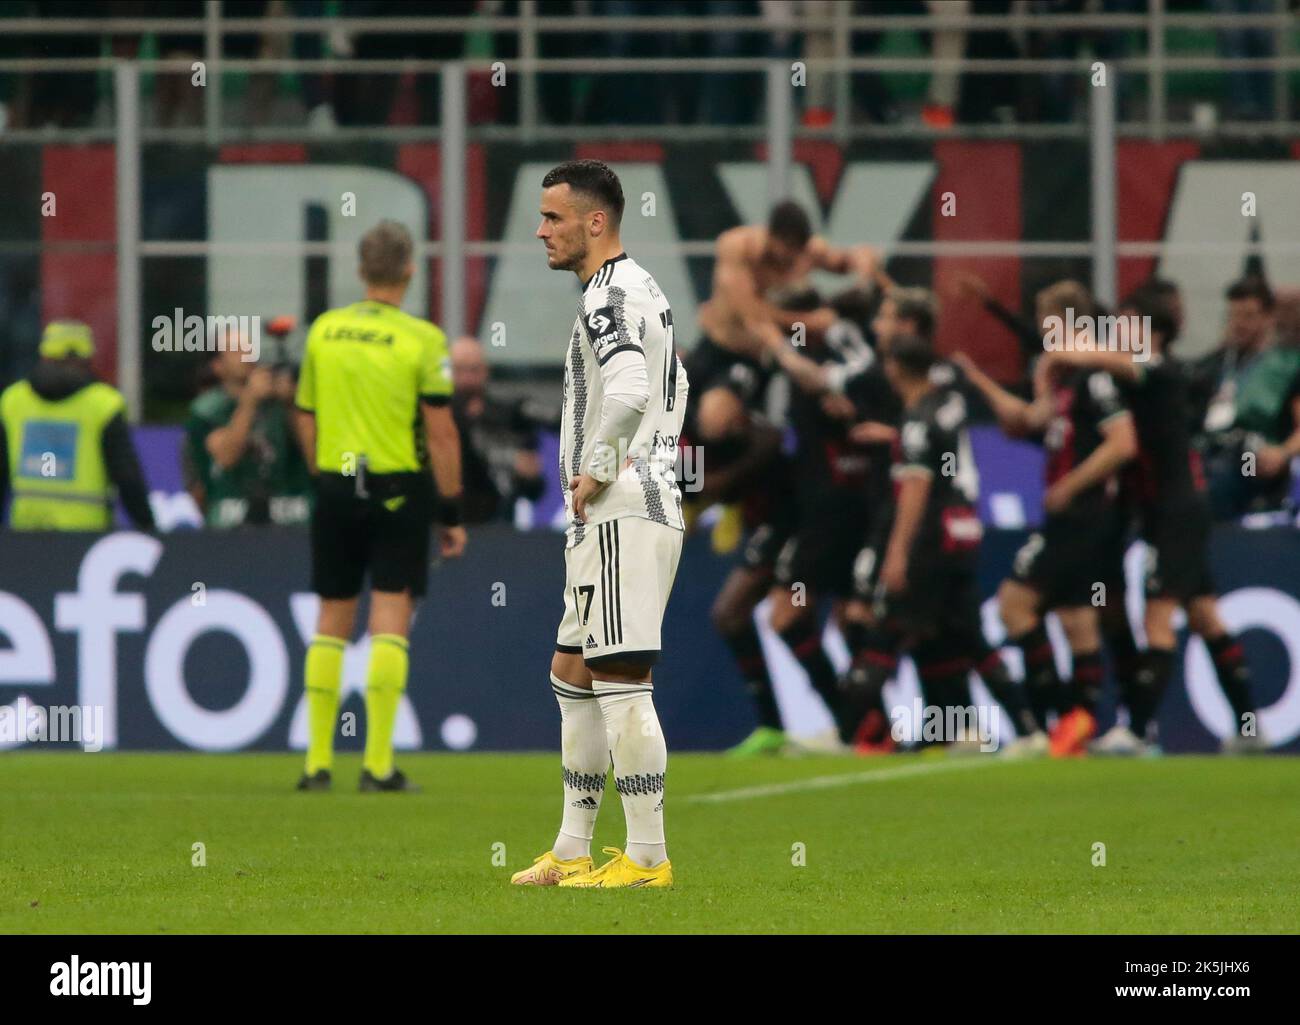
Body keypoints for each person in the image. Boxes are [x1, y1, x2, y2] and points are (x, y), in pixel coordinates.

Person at [511, 160, 687, 889]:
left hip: (621, 509)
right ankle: (573, 846)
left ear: (594, 222)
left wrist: (601, 467)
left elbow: (635, 386)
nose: (541, 230)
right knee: (573, 673)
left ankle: (647, 858)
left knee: (620, 679)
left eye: (553, 218)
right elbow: (675, 380)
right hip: (623, 508)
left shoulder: (607, 296)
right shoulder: (640, 287)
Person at [1046, 288, 1264, 754]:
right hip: (1170, 509)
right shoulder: (1137, 376)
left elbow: (1112, 362)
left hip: (1176, 511)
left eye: (1127, 321)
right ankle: (1250, 728)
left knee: (1157, 620)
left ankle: (1138, 731)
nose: (1118, 331)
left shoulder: (1160, 370)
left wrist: (1062, 344)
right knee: (1205, 616)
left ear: (1154, 332)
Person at [293, 220, 466, 794]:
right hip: (398, 490)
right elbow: (441, 435)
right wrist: (452, 511)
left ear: (360, 270)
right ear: (410, 271)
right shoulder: (422, 339)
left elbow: (305, 416)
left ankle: (317, 764)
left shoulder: (324, 331)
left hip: (338, 486)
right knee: (390, 618)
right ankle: (377, 765)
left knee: (331, 619)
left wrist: (326, 475)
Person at [957, 282, 1138, 758]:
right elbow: (1028, 421)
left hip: (1081, 516)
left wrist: (1070, 486)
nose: (1039, 330)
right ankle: (1073, 728)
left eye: (1045, 320)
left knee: (1013, 606)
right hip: (1080, 519)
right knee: (1077, 620)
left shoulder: (1093, 379)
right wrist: (979, 381)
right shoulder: (1062, 381)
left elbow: (1122, 443)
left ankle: (1045, 724)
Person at [688, 200, 879, 416]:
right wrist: (809, 325)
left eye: (798, 251)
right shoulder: (739, 249)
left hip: (759, 355)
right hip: (720, 344)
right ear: (772, 235)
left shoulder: (809, 251)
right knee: (674, 408)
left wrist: (863, 265)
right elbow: (751, 315)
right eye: (787, 249)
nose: (791, 258)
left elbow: (848, 261)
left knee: (717, 418)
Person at [0, 321, 154, 532]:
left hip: (26, 529)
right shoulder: (104, 403)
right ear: (86, 358)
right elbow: (127, 475)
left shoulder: (12, 400)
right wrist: (147, 525)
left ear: (45, 355)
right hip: (85, 532)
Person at [1189, 277, 1300, 520]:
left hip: (1252, 454)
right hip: (1209, 448)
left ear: (1269, 317)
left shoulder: (1287, 365)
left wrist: (1283, 453)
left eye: (1249, 316)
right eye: (1235, 315)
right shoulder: (1217, 363)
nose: (1240, 324)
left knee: (1225, 478)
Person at [185, 333, 313, 528]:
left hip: (294, 519)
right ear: (217, 365)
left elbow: (314, 457)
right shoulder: (208, 409)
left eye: (249, 348)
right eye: (236, 350)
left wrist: (292, 404)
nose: (247, 354)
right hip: (231, 521)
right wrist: (250, 400)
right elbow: (225, 457)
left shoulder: (285, 402)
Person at [448, 335, 546, 524]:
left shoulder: (508, 417)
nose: (467, 378)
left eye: (473, 369)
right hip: (446, 524)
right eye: (460, 369)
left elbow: (535, 490)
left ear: (485, 371)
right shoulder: (438, 419)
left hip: (497, 526)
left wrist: (529, 475)